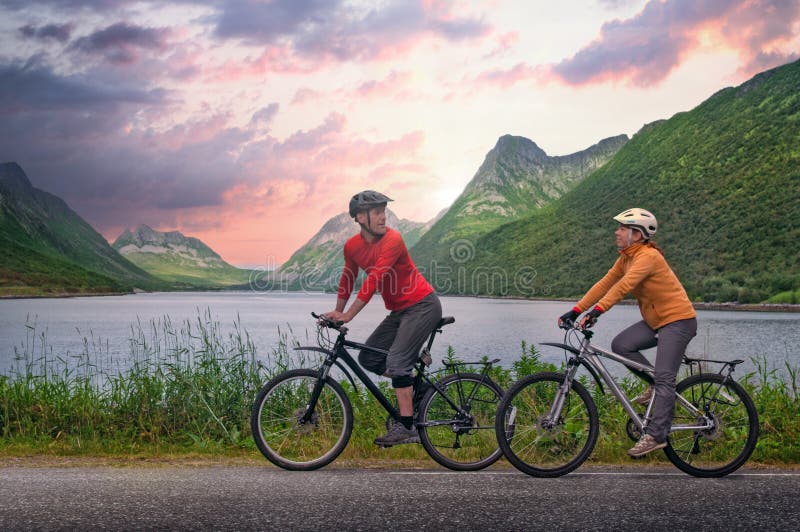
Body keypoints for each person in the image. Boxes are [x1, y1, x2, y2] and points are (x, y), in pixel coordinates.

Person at [558, 208, 697, 458]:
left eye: (622, 228)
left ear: (637, 233)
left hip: (678, 321)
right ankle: (655, 386)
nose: (617, 232)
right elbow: (605, 283)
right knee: (622, 345)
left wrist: (597, 311)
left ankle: (656, 435)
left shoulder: (648, 257)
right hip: (657, 321)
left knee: (666, 378)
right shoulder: (626, 257)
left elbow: (624, 286)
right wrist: (576, 310)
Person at [324, 190, 442, 446]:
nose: (383, 217)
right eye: (377, 212)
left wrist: (348, 316)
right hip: (400, 311)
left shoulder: (393, 239)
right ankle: (420, 390)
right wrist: (337, 310)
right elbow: (348, 278)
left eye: (383, 211)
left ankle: (407, 427)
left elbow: (373, 280)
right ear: (360, 217)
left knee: (398, 361)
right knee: (369, 357)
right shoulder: (352, 247)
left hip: (423, 305)